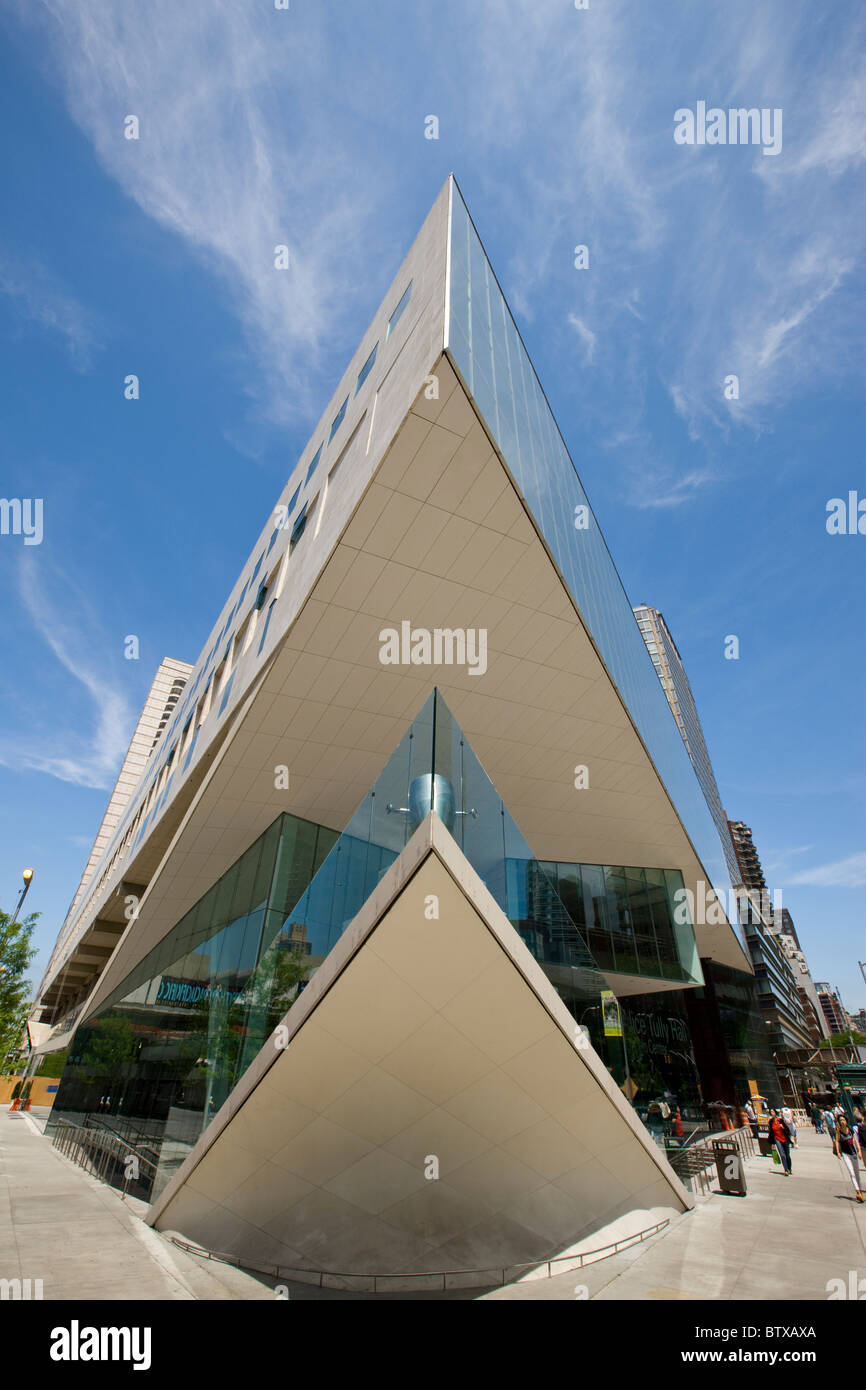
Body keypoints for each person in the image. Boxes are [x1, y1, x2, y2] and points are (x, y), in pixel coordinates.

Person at [834, 1117, 865, 1202]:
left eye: (843, 1120)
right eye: (840, 1120)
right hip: (846, 1154)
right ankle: (857, 1191)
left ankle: (860, 1190)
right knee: (851, 1173)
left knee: (857, 1173)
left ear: (846, 1121)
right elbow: (837, 1141)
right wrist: (838, 1152)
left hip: (853, 1153)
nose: (842, 1122)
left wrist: (859, 1151)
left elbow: (856, 1141)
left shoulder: (850, 1130)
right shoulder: (838, 1131)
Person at [768, 1109, 793, 1175]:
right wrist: (772, 1142)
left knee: (787, 1155)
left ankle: (789, 1168)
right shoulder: (771, 1122)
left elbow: (787, 1130)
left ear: (776, 1113)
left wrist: (783, 1128)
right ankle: (786, 1169)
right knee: (782, 1154)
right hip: (777, 1139)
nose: (772, 1113)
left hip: (784, 1139)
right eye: (771, 1112)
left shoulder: (781, 1120)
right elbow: (771, 1132)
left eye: (773, 1112)